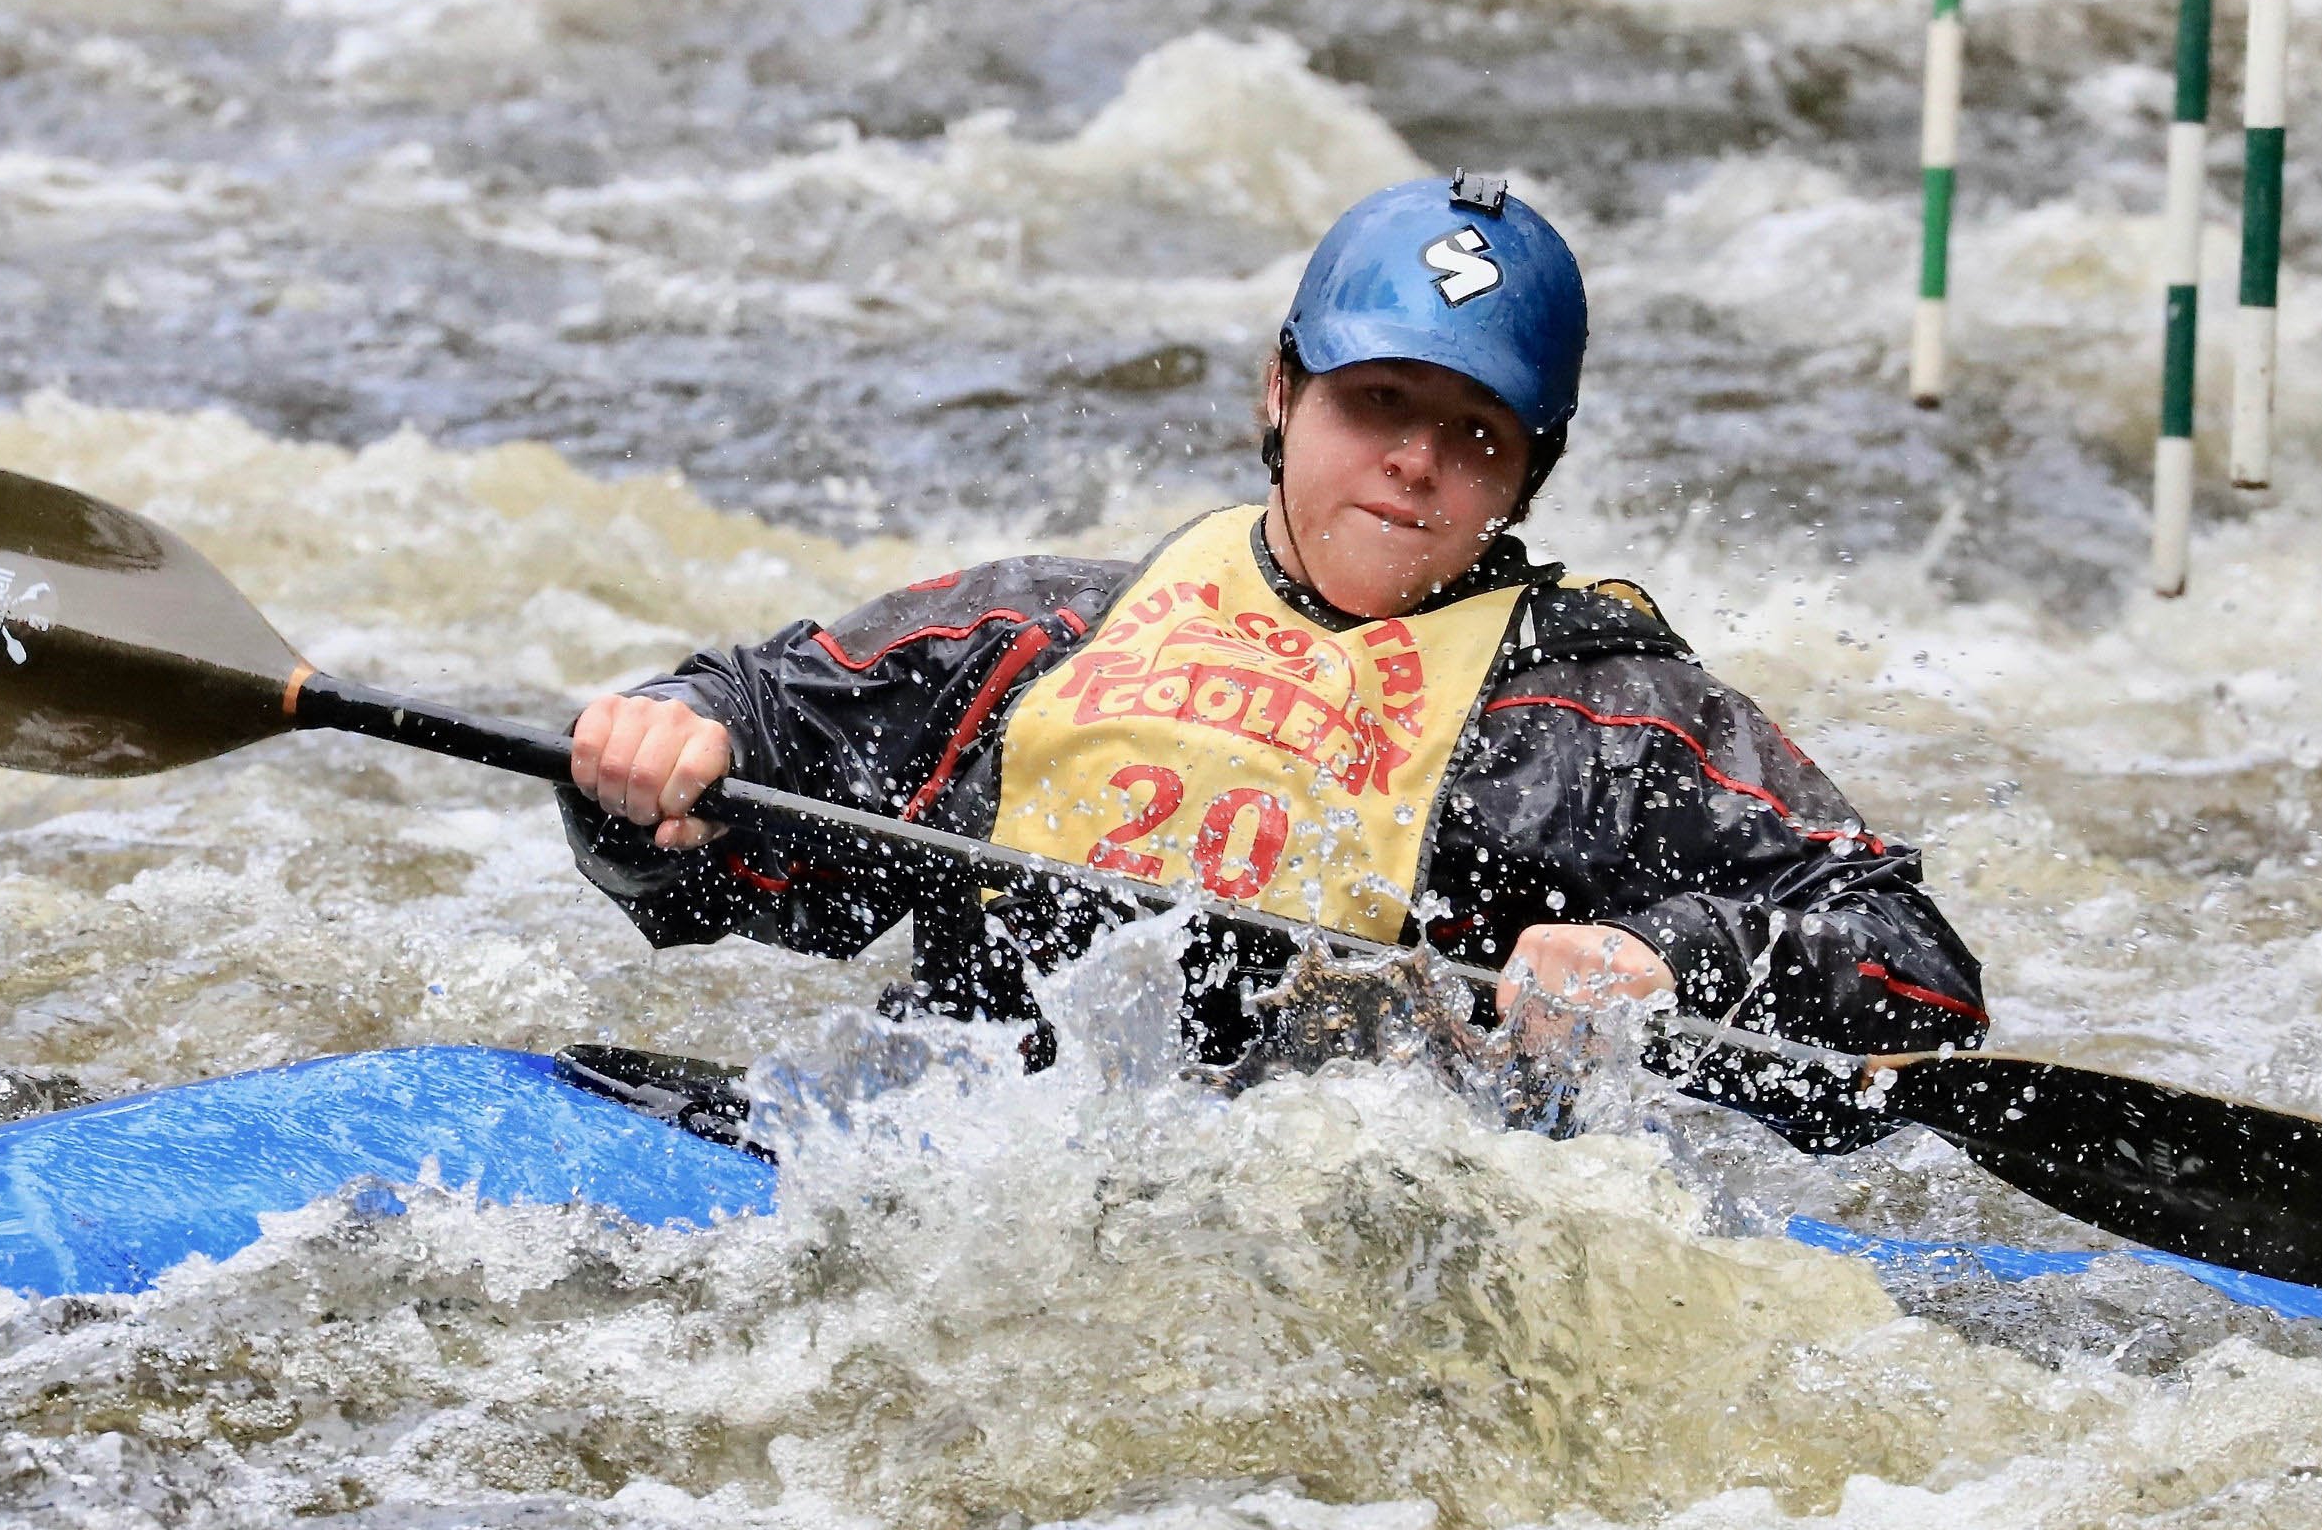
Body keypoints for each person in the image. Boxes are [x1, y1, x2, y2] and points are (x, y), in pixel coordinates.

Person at [558, 171, 1986, 1144]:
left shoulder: (1603, 722)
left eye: (1475, 435)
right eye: (1377, 402)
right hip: (969, 1170)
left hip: (1366, 1223)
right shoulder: (1043, 632)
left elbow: (1914, 967)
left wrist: (1657, 957)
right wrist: (656, 766)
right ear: (1283, 391)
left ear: (1524, 482)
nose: (1416, 464)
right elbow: (742, 747)